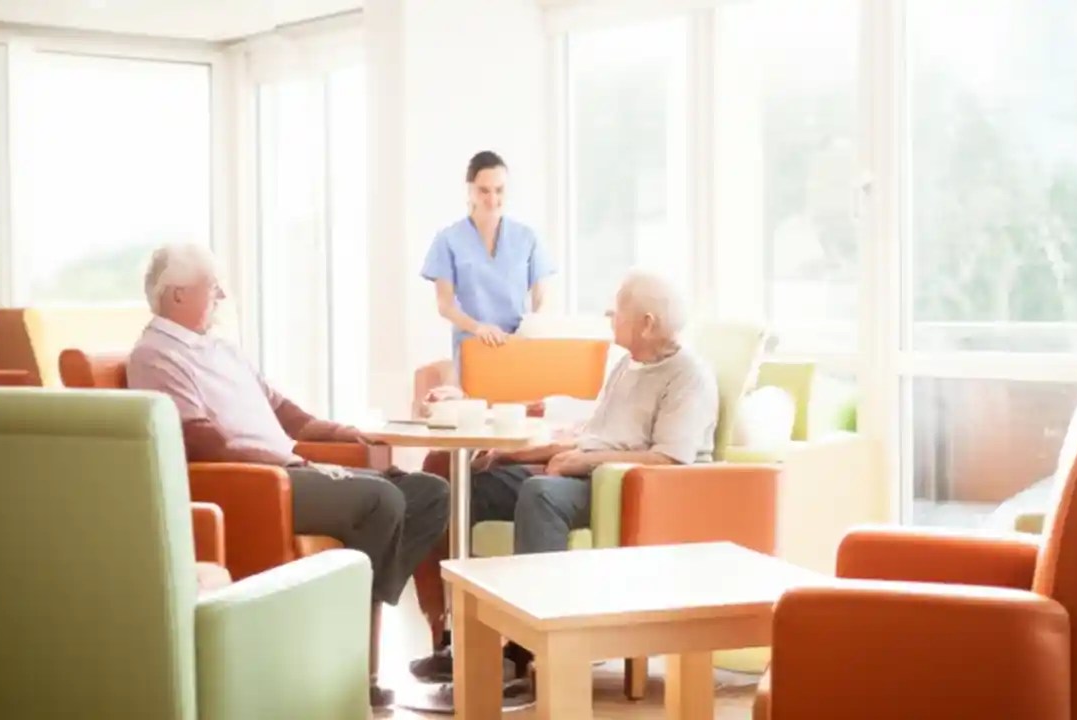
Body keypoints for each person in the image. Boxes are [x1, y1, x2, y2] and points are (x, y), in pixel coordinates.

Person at [126, 243, 449, 708]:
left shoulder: (220, 349)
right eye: (211, 287)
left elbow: (285, 412)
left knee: (430, 492)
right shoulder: (155, 354)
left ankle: (357, 606)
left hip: (293, 468)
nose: (220, 295)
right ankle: (359, 653)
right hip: (259, 485)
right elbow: (196, 438)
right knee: (383, 501)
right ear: (176, 295)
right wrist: (277, 461)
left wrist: (343, 433)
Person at [410, 269, 719, 682]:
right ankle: (450, 637)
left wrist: (583, 462)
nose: (611, 313)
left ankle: (527, 652)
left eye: (619, 308)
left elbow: (671, 460)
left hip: (627, 490)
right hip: (586, 474)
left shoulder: (687, 376)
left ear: (647, 323)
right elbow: (594, 432)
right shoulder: (630, 364)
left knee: (541, 494)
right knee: (453, 488)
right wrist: (506, 456)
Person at [421, 151, 554, 374]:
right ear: (470, 190)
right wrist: (478, 328)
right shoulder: (448, 240)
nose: (492, 199)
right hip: (472, 350)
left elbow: (541, 299)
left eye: (499, 190)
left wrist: (529, 333)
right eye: (484, 190)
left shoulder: (527, 238)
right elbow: (445, 305)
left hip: (518, 348)